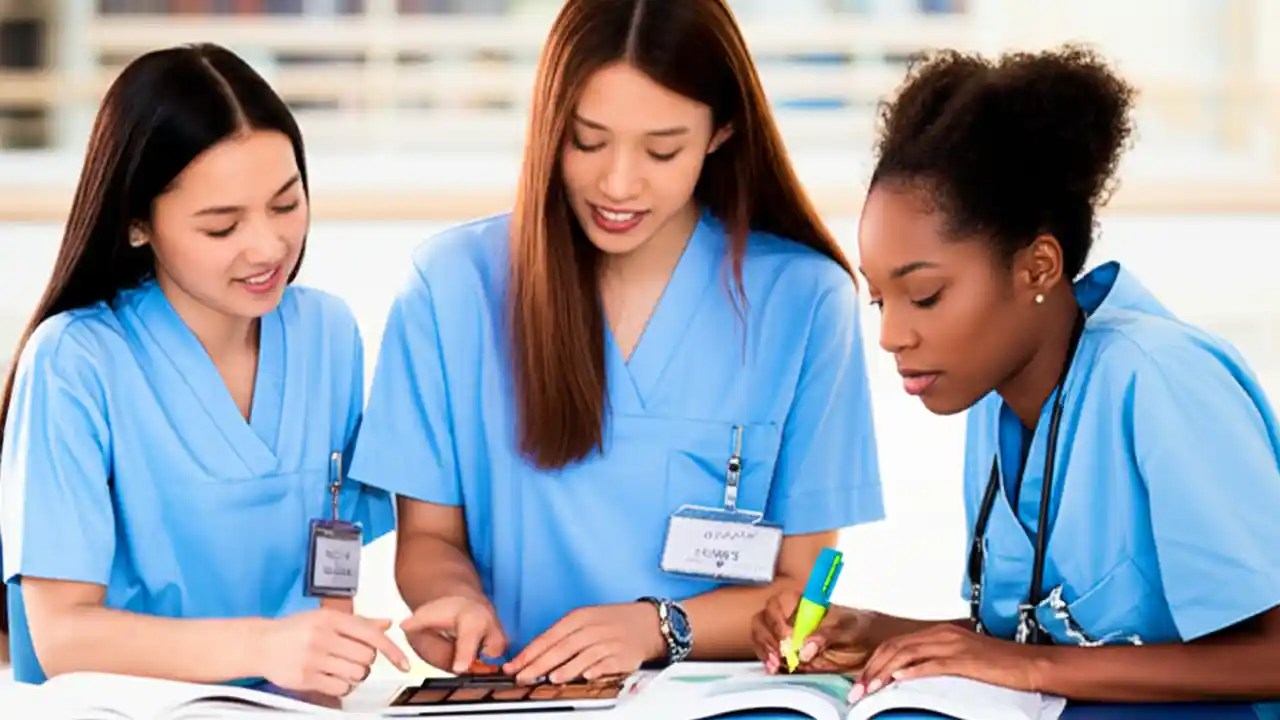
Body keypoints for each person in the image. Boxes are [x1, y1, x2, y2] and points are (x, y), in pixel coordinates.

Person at [349, 0, 883, 685]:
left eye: (662, 150)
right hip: (522, 690)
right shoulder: (452, 287)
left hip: (718, 698)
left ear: (721, 131)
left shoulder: (806, 301)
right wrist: (453, 599)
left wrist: (657, 626)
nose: (618, 184)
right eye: (586, 140)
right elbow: (429, 539)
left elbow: (803, 589)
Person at [753, 45, 1280, 707]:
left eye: (926, 296)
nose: (890, 337)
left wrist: (1026, 670)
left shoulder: (1158, 381)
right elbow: (1044, 636)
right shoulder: (993, 396)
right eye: (880, 301)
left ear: (1037, 268)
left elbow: (1271, 653)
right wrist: (877, 632)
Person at [0, 44, 408, 692]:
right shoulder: (74, 364)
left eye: (285, 203)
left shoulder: (328, 336)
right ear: (138, 223)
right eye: (222, 226)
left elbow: (333, 556)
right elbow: (62, 638)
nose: (268, 247)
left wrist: (328, 663)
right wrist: (267, 645)